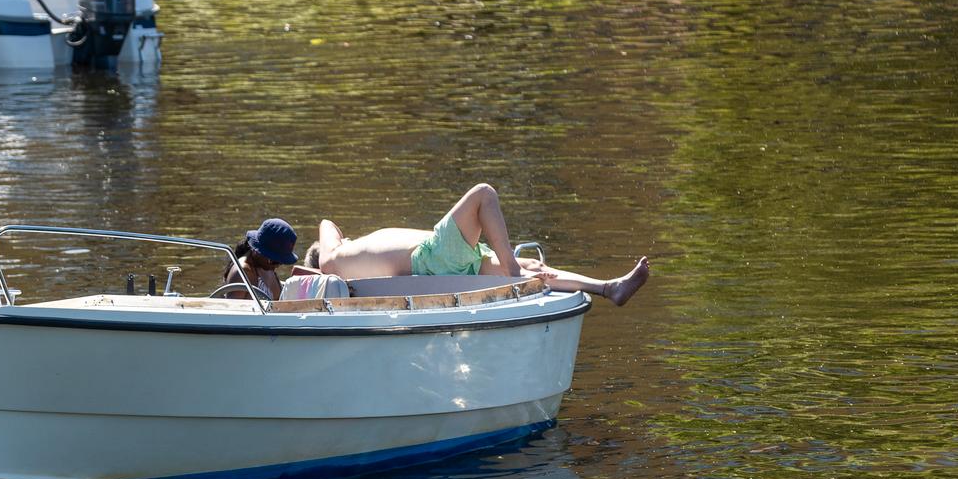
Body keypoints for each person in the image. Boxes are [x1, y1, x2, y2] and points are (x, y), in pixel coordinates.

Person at [306, 183, 650, 305]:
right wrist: (340, 241)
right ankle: (514, 273)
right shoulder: (331, 258)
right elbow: (326, 224)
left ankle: (608, 288)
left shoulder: (350, 257)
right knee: (484, 194)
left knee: (534, 267)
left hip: (447, 259)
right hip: (432, 257)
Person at [222, 218, 298, 300]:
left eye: (280, 261)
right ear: (257, 250)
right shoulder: (242, 272)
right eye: (274, 261)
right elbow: (232, 307)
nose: (276, 266)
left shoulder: (267, 267)